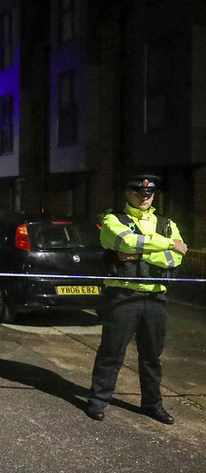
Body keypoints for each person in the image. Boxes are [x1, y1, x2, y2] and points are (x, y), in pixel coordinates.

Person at [85, 175, 187, 424]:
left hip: (155, 298)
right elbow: (125, 241)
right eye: (138, 192)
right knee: (111, 352)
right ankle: (97, 402)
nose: (144, 197)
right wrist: (165, 245)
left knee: (152, 356)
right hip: (123, 295)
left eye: (149, 194)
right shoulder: (112, 220)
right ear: (127, 193)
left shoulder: (166, 223)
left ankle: (152, 405)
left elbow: (176, 259)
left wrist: (138, 255)